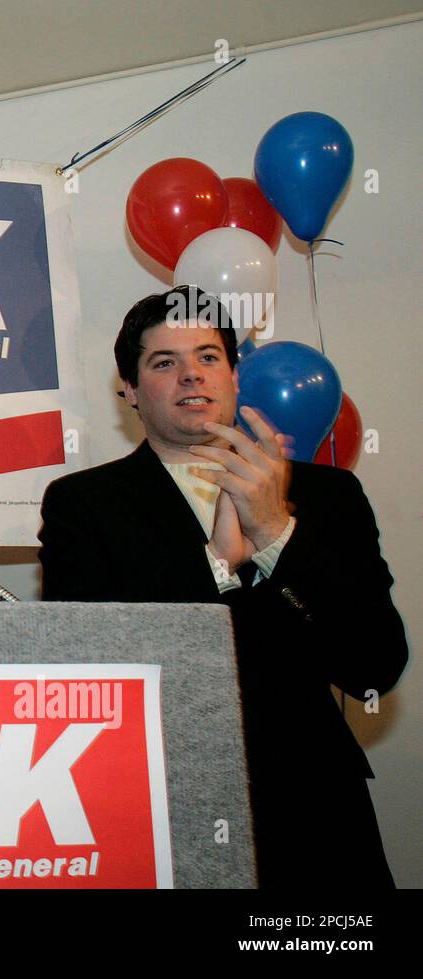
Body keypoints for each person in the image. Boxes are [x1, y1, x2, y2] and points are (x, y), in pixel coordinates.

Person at [37, 287, 408, 887]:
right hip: (164, 807)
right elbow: (89, 673)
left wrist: (275, 538)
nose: (191, 375)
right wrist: (216, 564)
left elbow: (374, 667)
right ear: (128, 390)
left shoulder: (328, 496)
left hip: (317, 817)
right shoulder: (83, 505)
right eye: (163, 362)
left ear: (236, 374)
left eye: (208, 356)